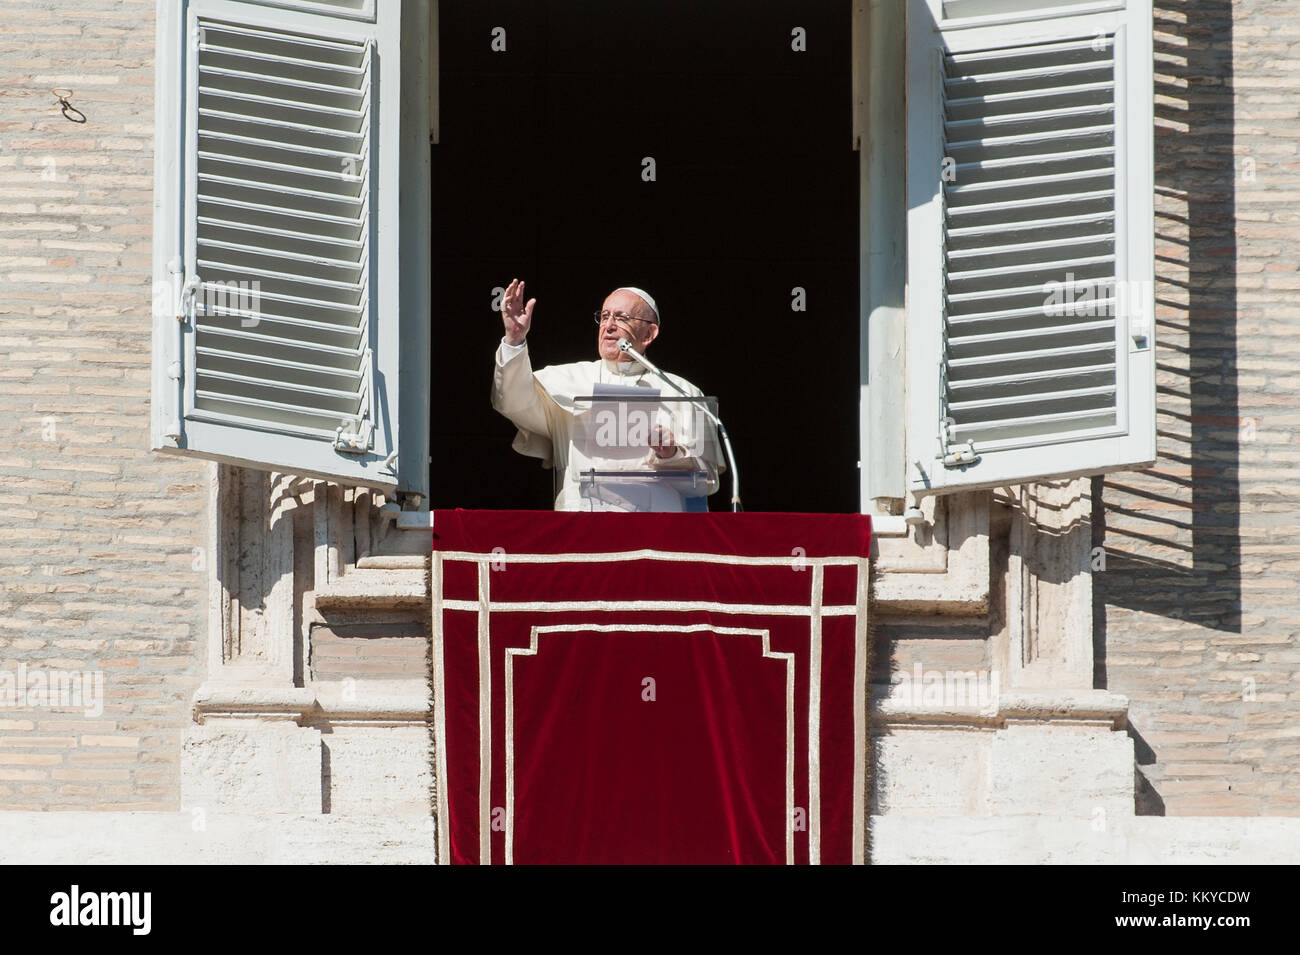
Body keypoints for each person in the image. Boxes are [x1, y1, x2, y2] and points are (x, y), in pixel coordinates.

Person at [491, 278, 723, 511]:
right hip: (583, 526)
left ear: (649, 334)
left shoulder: (683, 392)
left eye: (622, 318)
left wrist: (671, 454)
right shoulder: (567, 379)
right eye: (604, 316)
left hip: (656, 531)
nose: (609, 325)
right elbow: (512, 402)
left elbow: (707, 482)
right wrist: (514, 339)